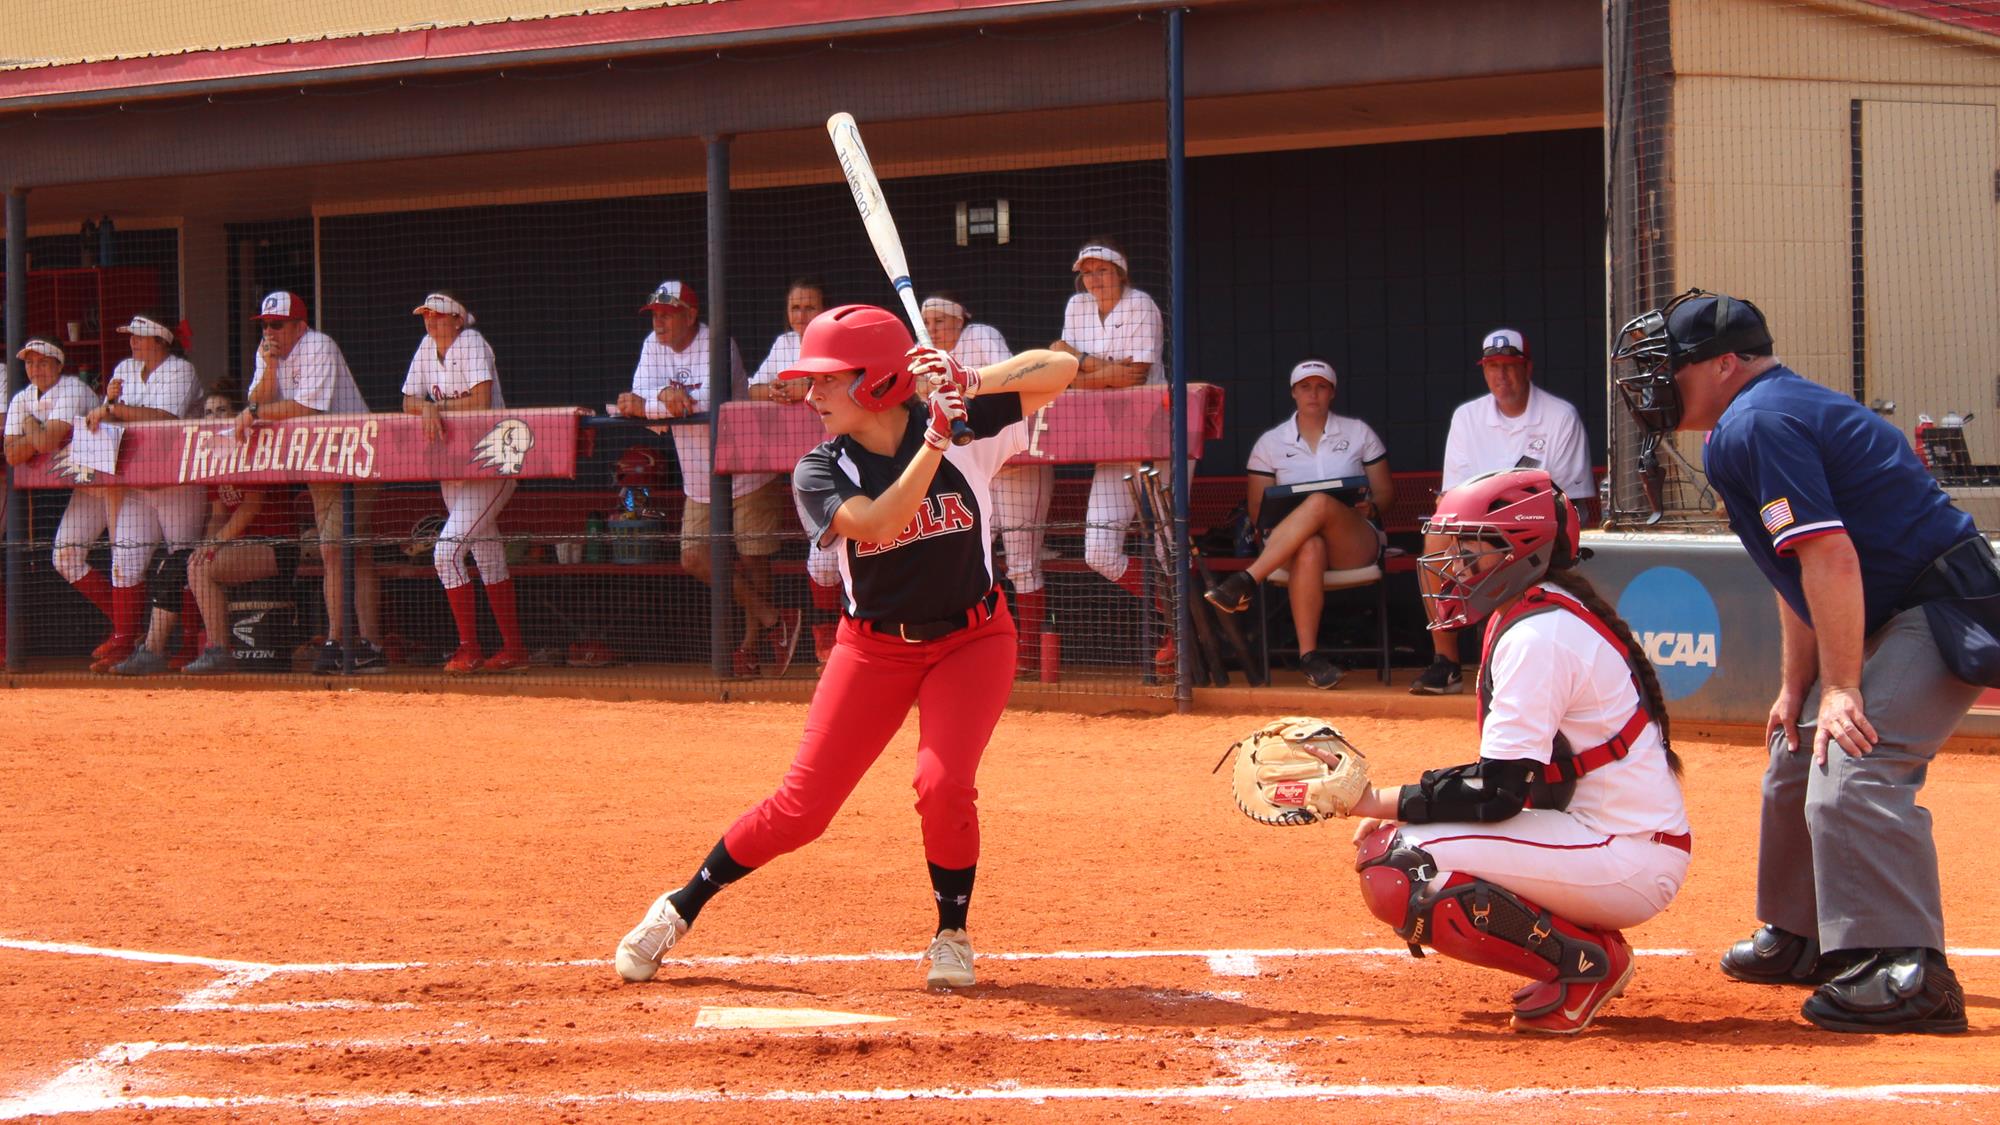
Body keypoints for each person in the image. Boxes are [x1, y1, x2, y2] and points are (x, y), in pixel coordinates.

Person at [613, 304, 1077, 989]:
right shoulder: (820, 469)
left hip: (972, 639)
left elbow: (1061, 369)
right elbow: (876, 522)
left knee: (942, 783)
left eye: (828, 379)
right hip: (873, 650)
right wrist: (937, 442)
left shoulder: (962, 419)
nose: (812, 393)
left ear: (881, 382)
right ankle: (678, 908)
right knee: (800, 810)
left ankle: (951, 932)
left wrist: (968, 378)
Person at [1612, 289, 1978, 1034]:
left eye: (1670, 365)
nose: (1655, 382)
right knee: (1793, 749)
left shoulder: (1761, 419)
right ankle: (1804, 933)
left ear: (1724, 364)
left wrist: (1843, 686)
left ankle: (1909, 970)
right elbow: (1796, 572)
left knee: (1856, 759)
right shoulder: (1735, 429)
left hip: (1940, 605)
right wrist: (1798, 684)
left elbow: (1831, 559)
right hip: (1881, 607)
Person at [1342, 467, 1688, 1033]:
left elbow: (1497, 794)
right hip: (1605, 837)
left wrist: (1377, 800)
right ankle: (1581, 946)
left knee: (1399, 865)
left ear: (1517, 550)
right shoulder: (1529, 611)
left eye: (1469, 548)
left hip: (1626, 853)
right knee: (1397, 840)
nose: (1453, 565)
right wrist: (1396, 805)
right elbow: (1504, 783)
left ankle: (1584, 966)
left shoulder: (1538, 634)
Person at [618, 279, 801, 677]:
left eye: (668, 314)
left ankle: (751, 649)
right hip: (699, 475)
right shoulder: (653, 347)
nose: (660, 323)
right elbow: (634, 397)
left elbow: (703, 404)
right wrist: (664, 395)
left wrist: (659, 401)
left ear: (690, 315)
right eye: (655, 315)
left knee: (754, 560)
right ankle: (774, 618)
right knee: (694, 557)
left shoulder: (718, 343)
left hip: (747, 465)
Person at [1414, 328, 1593, 695]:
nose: (1501, 375)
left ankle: (1507, 658)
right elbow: (1450, 497)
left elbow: (1573, 499)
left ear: (1527, 368)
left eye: (1510, 365)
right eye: (1493, 366)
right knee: (1436, 532)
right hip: (1479, 531)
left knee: (1492, 549)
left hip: (1541, 532)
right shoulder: (1467, 417)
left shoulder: (1560, 416)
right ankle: (1446, 662)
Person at [1204, 359, 1393, 690]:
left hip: (1353, 542)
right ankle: (1310, 659)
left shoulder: (1358, 431)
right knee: (1310, 544)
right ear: (1293, 392)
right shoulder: (1270, 442)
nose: (1313, 394)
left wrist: (1372, 506)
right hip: (1293, 548)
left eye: (1321, 386)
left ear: (1332, 393)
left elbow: (1386, 493)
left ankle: (1246, 581)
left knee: (1320, 502)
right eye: (1305, 387)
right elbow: (1258, 509)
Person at [234, 290, 385, 674]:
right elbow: (256, 398)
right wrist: (267, 371)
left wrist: (255, 413)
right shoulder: (266, 351)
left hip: (358, 453)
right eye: (265, 325)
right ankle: (367, 644)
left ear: (300, 326)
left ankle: (339, 641)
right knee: (352, 551)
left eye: (278, 325)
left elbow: (306, 407)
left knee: (336, 549)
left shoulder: (319, 345)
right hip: (320, 461)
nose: (270, 332)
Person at [1047, 239, 1170, 672]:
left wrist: (1079, 362)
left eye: (1103, 271)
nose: (1095, 279)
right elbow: (1069, 368)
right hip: (1109, 442)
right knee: (1098, 551)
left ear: (1121, 273)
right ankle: (1172, 614)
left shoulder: (1141, 304)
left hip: (1154, 437)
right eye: (1088, 272)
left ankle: (1181, 637)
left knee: (1167, 544)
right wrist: (1100, 371)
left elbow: (1135, 374)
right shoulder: (1077, 306)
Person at [115, 393, 300, 675]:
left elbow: (250, 507)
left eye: (222, 410)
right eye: (209, 412)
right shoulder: (215, 453)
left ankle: (218, 650)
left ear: (237, 414)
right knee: (179, 563)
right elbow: (217, 514)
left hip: (276, 547)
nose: (214, 418)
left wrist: (214, 545)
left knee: (200, 568)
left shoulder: (253, 443)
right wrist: (207, 544)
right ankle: (151, 651)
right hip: (238, 546)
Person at [400, 291, 527, 674]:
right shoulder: (426, 346)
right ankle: (514, 649)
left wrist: (434, 407)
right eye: (427, 316)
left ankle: (469, 648)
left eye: (440, 317)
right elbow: (407, 401)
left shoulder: (471, 342)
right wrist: (424, 406)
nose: (432, 323)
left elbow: (481, 399)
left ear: (458, 319)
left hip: (492, 461)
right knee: (487, 555)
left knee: (446, 552)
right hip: (453, 465)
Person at [924, 292, 1046, 673]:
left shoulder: (980, 335)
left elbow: (1009, 386)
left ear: (960, 321)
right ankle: (970, 646)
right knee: (960, 555)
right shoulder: (923, 354)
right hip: (970, 471)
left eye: (940, 321)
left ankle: (1026, 653)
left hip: (1014, 463)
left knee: (1022, 563)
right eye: (927, 323)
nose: (932, 329)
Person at [84, 315, 203, 675]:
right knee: (125, 557)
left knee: (181, 559)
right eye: (132, 336)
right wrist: (109, 407)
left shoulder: (180, 370)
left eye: (140, 336)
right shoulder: (124, 368)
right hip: (136, 480)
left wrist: (114, 409)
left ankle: (188, 642)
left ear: (161, 341)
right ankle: (125, 641)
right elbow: (109, 419)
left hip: (177, 481)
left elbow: (164, 418)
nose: (133, 342)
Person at [747, 278, 843, 661]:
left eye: (810, 308)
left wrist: (806, 386)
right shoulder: (785, 345)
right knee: (823, 555)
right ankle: (828, 644)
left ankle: (860, 640)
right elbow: (752, 388)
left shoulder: (838, 338)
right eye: (795, 309)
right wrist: (776, 389)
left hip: (851, 461)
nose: (802, 316)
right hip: (807, 469)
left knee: (858, 552)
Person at [4, 338, 116, 651]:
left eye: (42, 362)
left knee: (128, 558)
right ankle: (127, 629)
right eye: (29, 362)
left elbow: (47, 442)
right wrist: (37, 435)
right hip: (87, 487)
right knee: (65, 556)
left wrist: (28, 425)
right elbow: (11, 455)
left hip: (118, 481)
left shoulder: (72, 389)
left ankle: (141, 639)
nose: (34, 368)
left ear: (58, 365)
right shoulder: (22, 396)